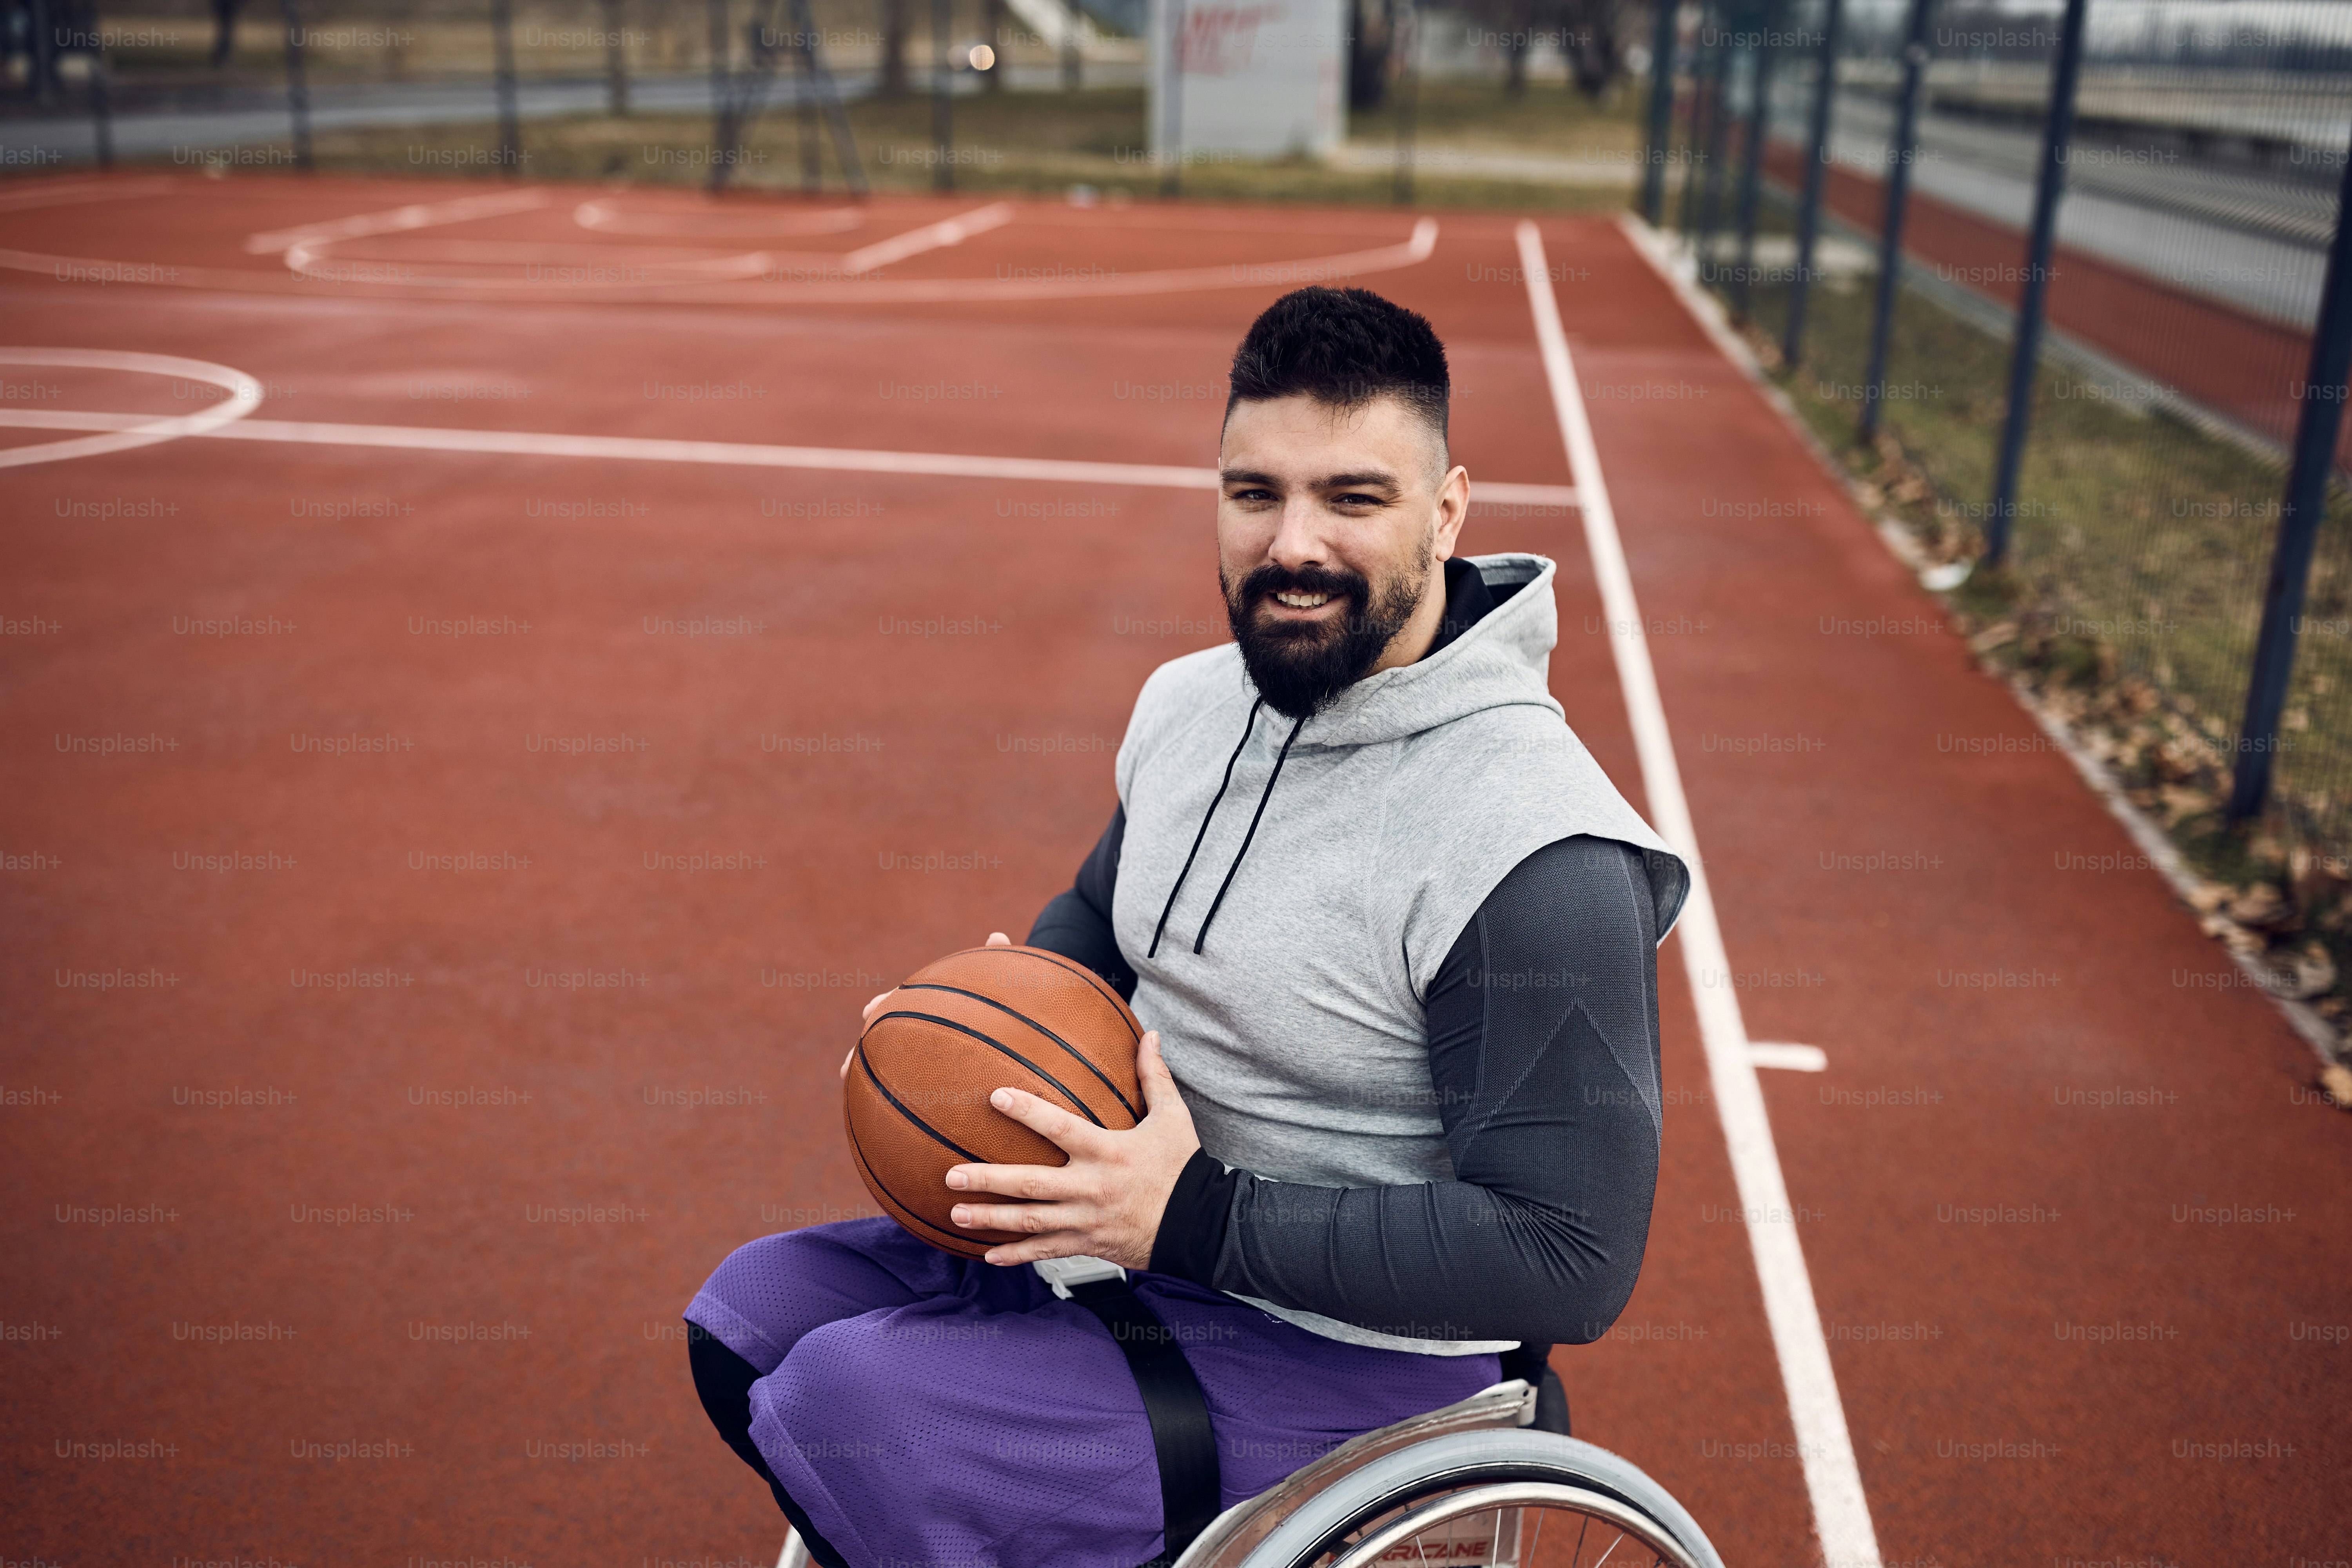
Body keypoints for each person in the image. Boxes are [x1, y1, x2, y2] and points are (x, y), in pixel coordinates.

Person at [683, 286, 1690, 1568]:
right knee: (750, 1321)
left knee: (857, 1410)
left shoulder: (1537, 848)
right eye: (1255, 493)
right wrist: (955, 1039)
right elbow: (1100, 920)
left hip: (1349, 1362)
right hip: (1131, 1248)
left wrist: (1191, 1218)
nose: (1294, 545)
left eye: (1354, 498)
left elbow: (1568, 1258)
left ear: (1445, 514)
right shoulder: (1191, 703)